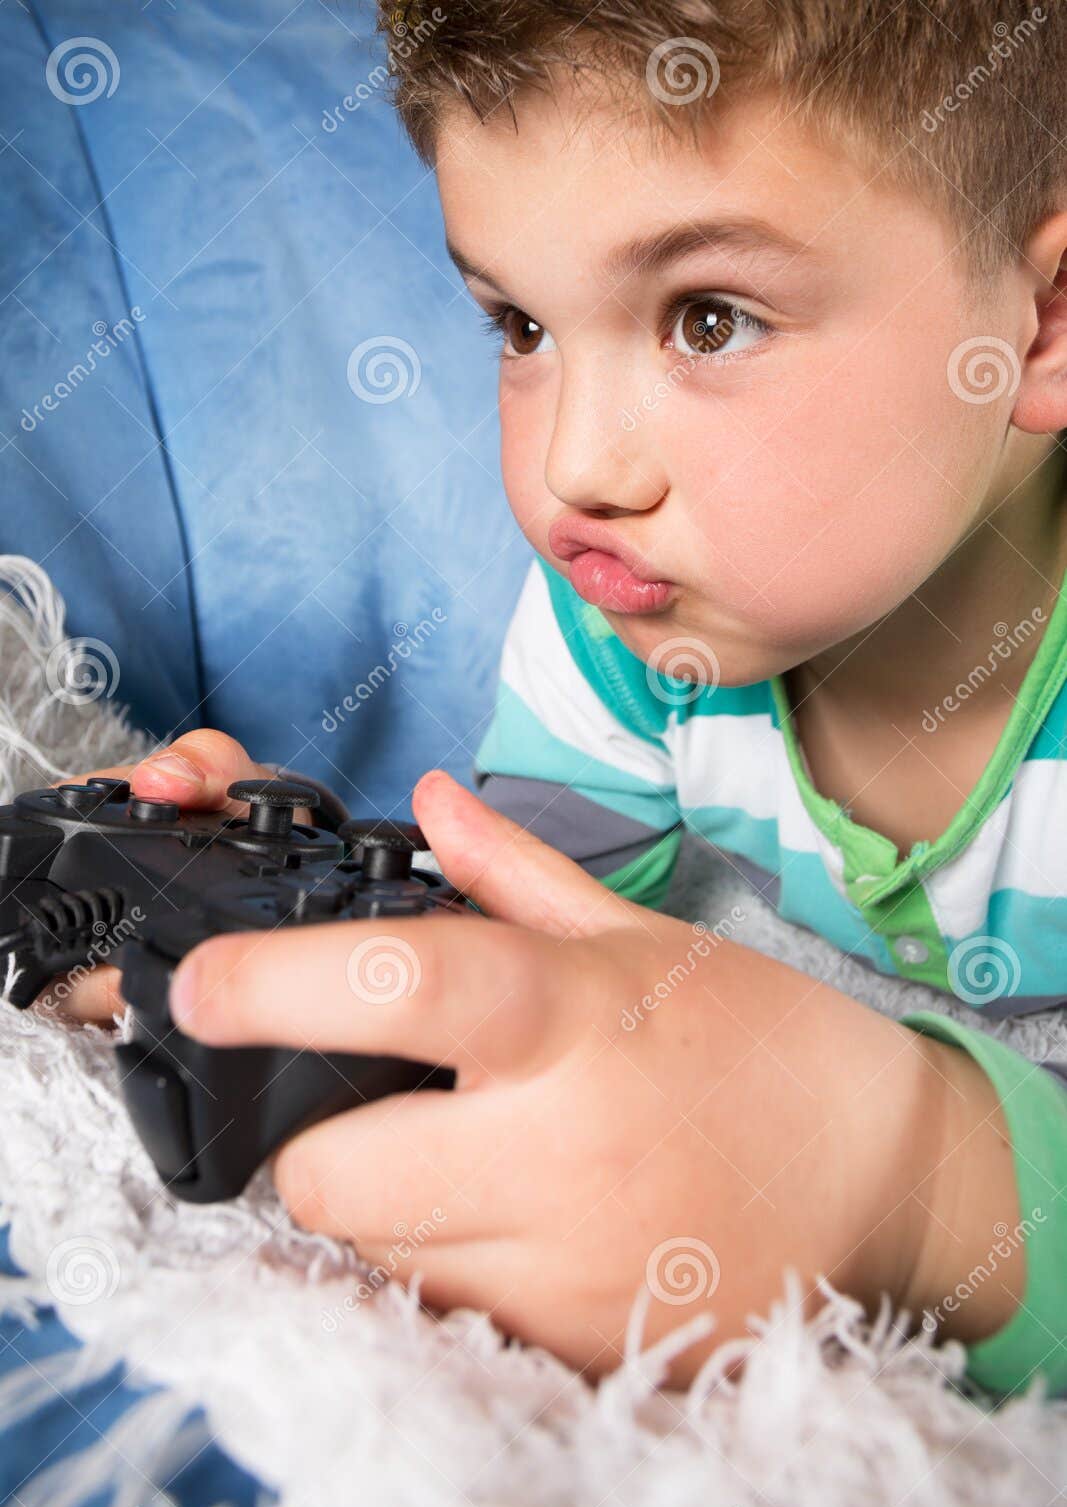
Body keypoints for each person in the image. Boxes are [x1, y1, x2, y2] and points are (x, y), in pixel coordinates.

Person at [63, 1, 1067, 1394]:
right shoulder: (629, 628)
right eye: (521, 323)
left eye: (708, 318)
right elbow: (551, 947)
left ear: (1040, 324)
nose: (575, 471)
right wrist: (306, 916)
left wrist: (914, 1176)